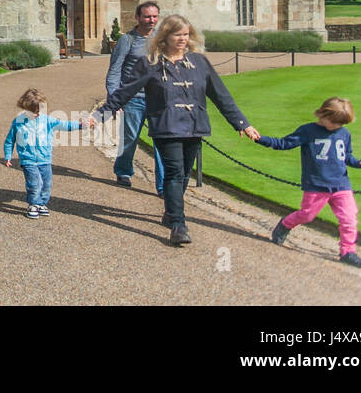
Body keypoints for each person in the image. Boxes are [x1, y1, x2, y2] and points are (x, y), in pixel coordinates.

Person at [93, 14, 259, 246]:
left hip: (194, 125)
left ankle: (171, 212)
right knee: (172, 172)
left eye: (185, 34)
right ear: (165, 36)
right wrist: (100, 115)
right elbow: (125, 91)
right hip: (166, 126)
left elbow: (221, 95)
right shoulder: (149, 62)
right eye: (177, 34)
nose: (182, 39)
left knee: (183, 175)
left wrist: (242, 123)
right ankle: (178, 225)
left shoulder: (199, 63)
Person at [255, 97, 361, 268]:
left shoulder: (344, 133)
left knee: (349, 218)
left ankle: (348, 252)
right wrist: (259, 138)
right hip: (317, 185)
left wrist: (359, 163)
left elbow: (346, 157)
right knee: (307, 215)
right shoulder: (308, 131)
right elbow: (283, 144)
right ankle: (285, 224)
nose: (338, 127)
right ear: (323, 115)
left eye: (342, 124)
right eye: (335, 122)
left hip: (341, 184)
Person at [4, 88, 94, 218]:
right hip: (28, 159)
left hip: (45, 159)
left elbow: (65, 125)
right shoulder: (18, 122)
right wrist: (8, 155)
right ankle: (33, 204)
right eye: (33, 111)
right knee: (35, 183)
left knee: (46, 184)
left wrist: (81, 125)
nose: (36, 114)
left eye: (38, 111)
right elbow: (10, 140)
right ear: (25, 107)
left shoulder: (47, 120)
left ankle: (41, 203)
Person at [105, 1, 165, 194]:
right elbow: (115, 70)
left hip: (158, 99)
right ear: (137, 18)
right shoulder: (127, 40)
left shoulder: (163, 39)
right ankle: (123, 171)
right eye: (147, 16)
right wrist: (115, 98)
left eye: (155, 16)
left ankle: (164, 185)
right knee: (130, 138)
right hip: (133, 98)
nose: (151, 20)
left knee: (162, 142)